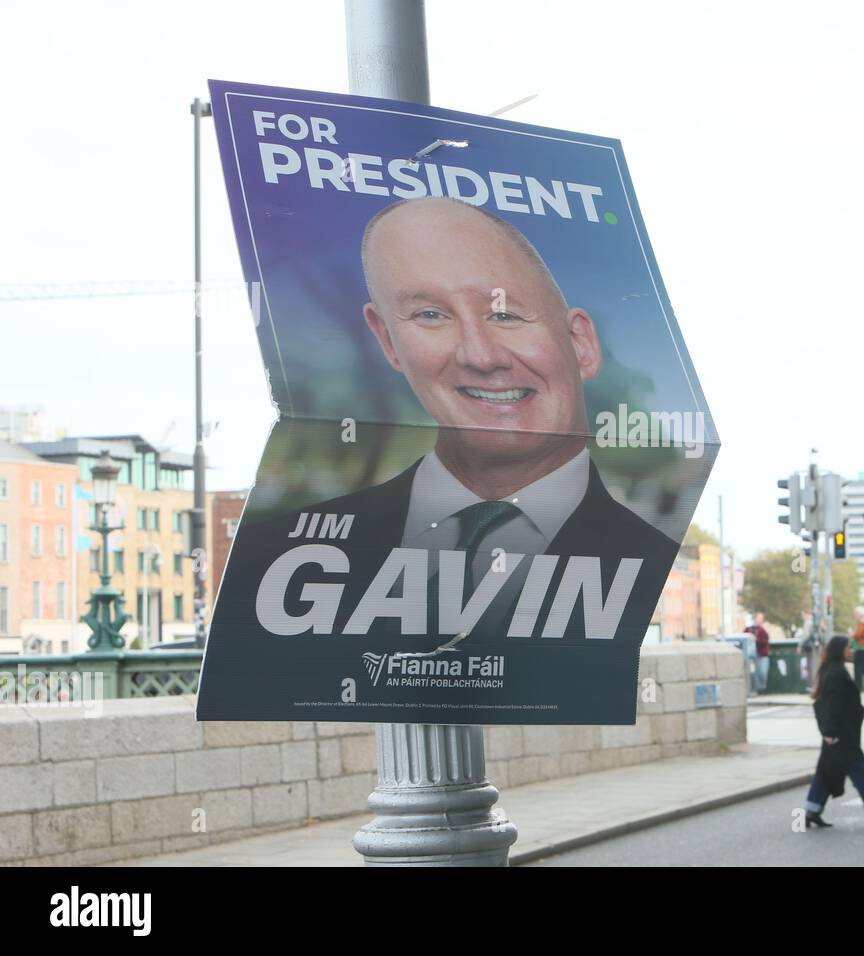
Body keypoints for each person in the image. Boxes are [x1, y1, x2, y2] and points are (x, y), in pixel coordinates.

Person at [223, 197, 678, 644]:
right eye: (430, 315)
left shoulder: (653, 556)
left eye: (505, 313)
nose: (479, 355)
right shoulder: (284, 560)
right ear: (387, 340)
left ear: (579, 342)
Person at [803, 635, 864, 828]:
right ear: (840, 650)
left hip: (839, 733)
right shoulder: (835, 674)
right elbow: (828, 705)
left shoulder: (834, 671)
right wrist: (829, 732)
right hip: (840, 734)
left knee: (826, 772)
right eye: (849, 648)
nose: (852, 650)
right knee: (858, 769)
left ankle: (812, 811)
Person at [746, 613, 771, 694]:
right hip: (751, 654)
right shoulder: (748, 629)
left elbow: (765, 640)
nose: (760, 620)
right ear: (755, 618)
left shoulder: (764, 629)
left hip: (762, 653)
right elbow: (744, 638)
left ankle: (762, 688)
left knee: (763, 672)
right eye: (759, 618)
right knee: (754, 672)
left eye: (762, 618)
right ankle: (757, 689)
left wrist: (756, 640)